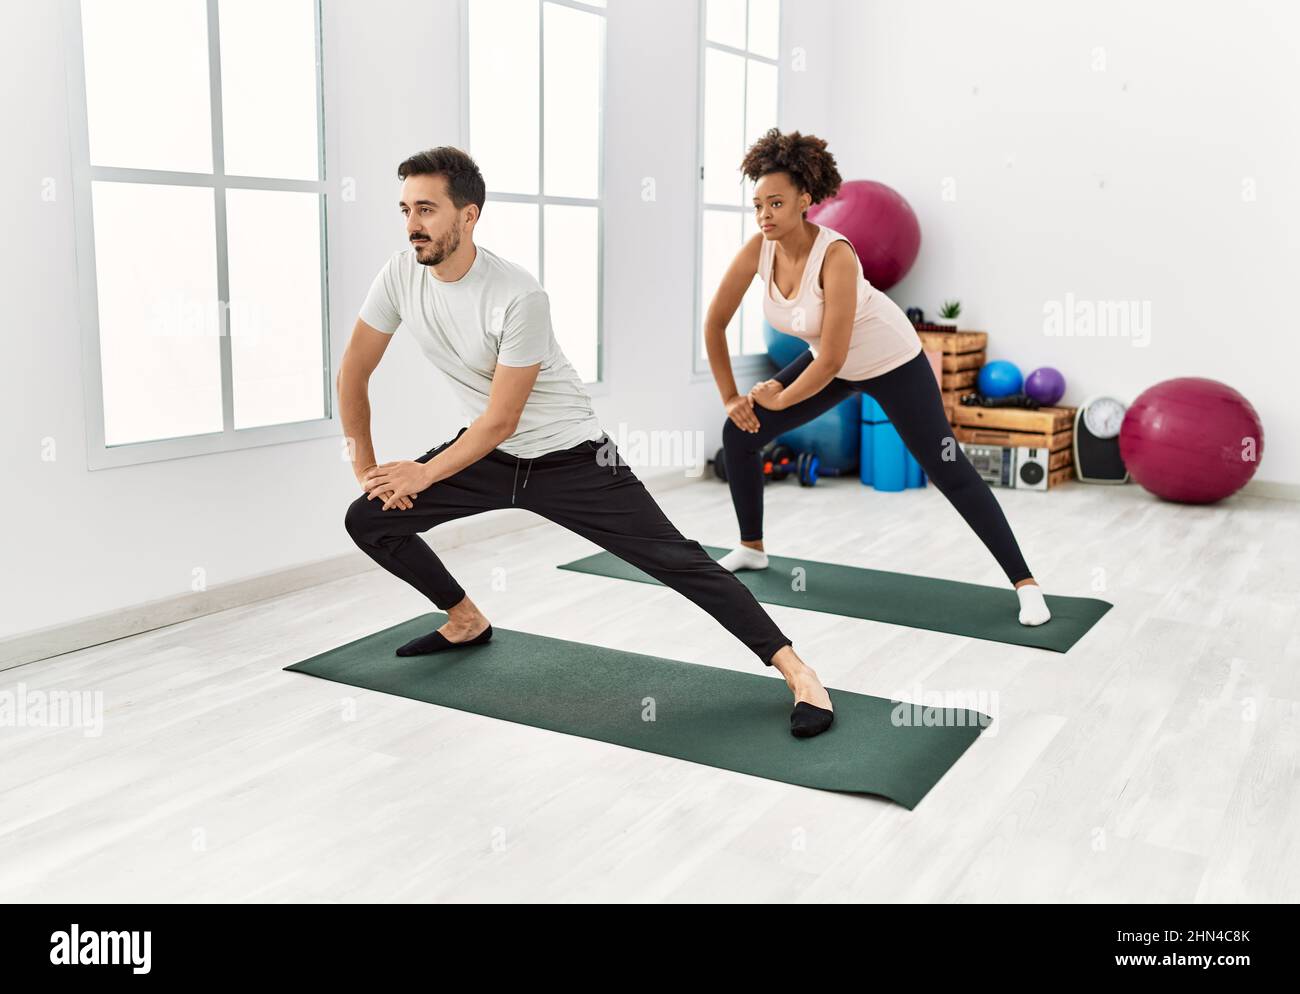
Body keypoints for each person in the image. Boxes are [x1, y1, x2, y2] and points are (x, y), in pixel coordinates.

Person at [339, 147, 835, 737]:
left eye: (426, 209)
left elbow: (503, 418)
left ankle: (798, 671)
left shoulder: (518, 295)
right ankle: (465, 618)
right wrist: (367, 470)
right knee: (369, 520)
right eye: (405, 210)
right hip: (488, 456)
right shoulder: (399, 275)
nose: (412, 225)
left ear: (469, 216)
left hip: (570, 458)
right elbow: (353, 371)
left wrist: (422, 474)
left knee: (678, 562)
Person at [704, 129, 1051, 627]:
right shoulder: (758, 251)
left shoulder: (837, 256)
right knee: (740, 431)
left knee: (947, 465)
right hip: (833, 357)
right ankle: (752, 547)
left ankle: (1026, 584)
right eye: (758, 204)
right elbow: (715, 323)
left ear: (805, 200)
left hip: (891, 360)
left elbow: (831, 361)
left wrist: (779, 399)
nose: (764, 215)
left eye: (776, 203)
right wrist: (733, 398)